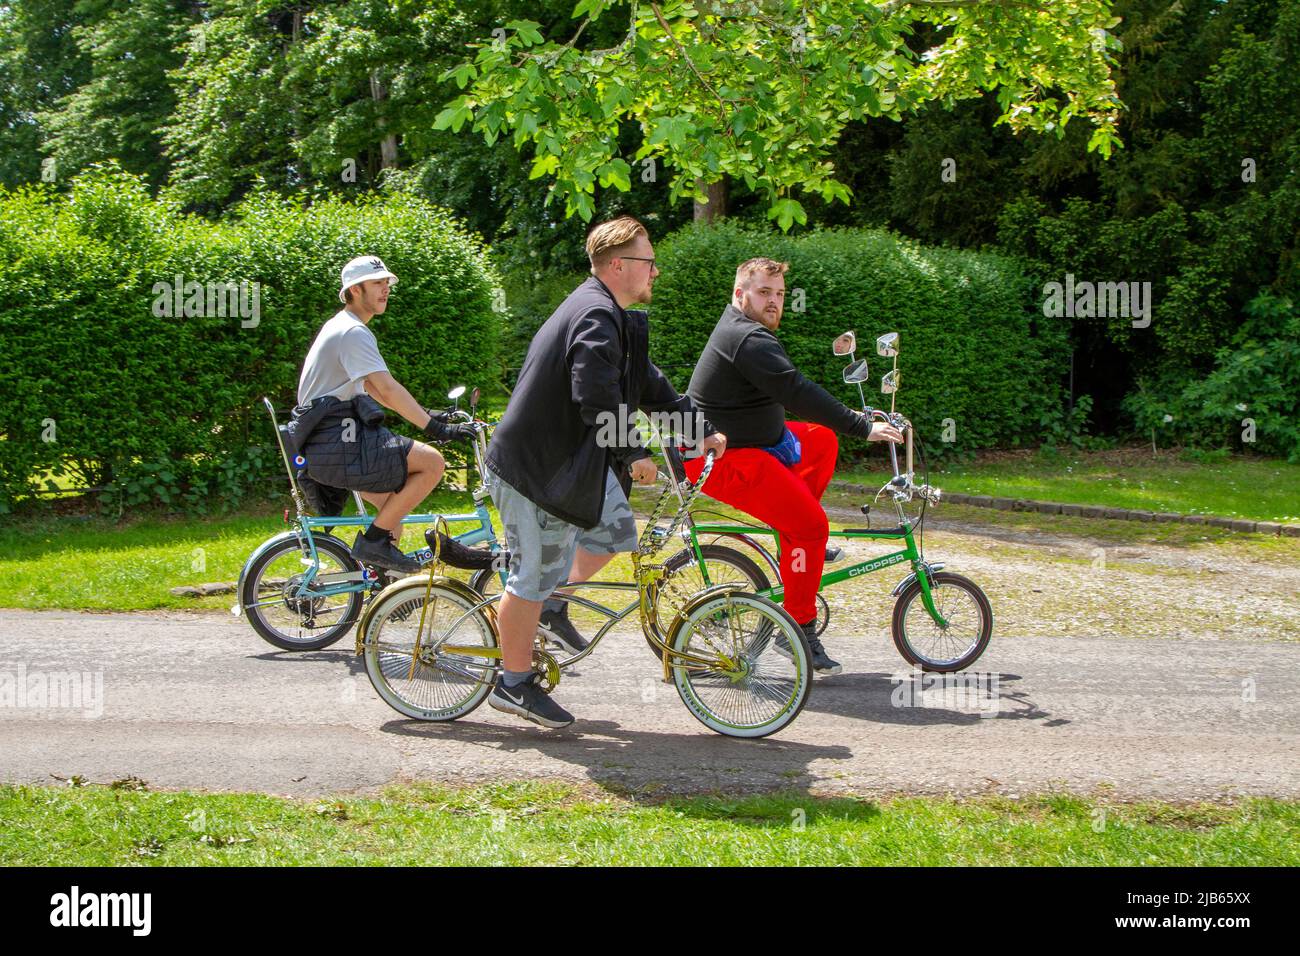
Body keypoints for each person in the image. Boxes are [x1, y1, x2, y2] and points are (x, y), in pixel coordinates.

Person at [484, 216, 727, 728]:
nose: (656, 272)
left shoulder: (611, 315)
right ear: (618, 265)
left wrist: (697, 429)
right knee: (531, 576)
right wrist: (633, 452)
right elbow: (593, 398)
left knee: (616, 533)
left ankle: (549, 606)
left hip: (567, 470)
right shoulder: (594, 314)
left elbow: (649, 387)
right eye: (649, 261)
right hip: (535, 472)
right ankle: (513, 683)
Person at [683, 257, 903, 676]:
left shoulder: (747, 331)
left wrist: (850, 421)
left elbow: (791, 394)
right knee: (812, 526)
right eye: (764, 292)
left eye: (780, 294)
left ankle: (795, 540)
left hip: (757, 444)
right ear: (739, 294)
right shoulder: (747, 339)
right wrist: (863, 426)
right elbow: (795, 390)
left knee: (820, 440)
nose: (774, 302)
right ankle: (796, 627)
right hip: (721, 459)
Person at [287, 255, 476, 574]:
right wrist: (436, 429)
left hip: (327, 444)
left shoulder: (343, 327)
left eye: (387, 283)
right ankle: (372, 543)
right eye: (377, 283)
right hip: (338, 441)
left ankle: (383, 592)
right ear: (354, 290)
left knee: (391, 516)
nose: (386, 289)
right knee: (432, 463)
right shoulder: (352, 332)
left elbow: (373, 390)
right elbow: (386, 389)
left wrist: (429, 414)